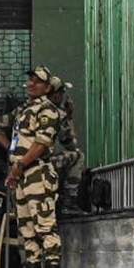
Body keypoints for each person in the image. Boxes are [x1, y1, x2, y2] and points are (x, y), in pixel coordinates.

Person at [5, 66, 64, 268]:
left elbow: (41, 144)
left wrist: (20, 165)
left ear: (47, 87)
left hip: (36, 173)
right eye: (30, 80)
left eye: (37, 81)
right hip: (21, 175)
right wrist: (14, 171)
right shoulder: (25, 110)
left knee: (45, 225)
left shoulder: (48, 110)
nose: (30, 84)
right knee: (26, 226)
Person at [46, 79, 88, 215]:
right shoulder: (56, 113)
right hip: (43, 163)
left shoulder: (30, 108)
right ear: (56, 95)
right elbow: (70, 143)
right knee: (77, 156)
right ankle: (69, 202)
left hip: (23, 164)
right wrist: (69, 116)